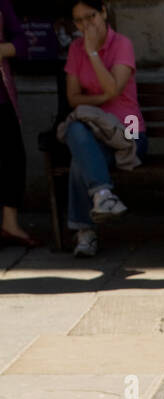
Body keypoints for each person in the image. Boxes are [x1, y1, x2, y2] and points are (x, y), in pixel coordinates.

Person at [62, 1, 146, 258]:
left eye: (91, 17)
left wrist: (93, 53)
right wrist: (100, 108)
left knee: (81, 158)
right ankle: (103, 194)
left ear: (104, 13)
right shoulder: (75, 50)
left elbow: (114, 89)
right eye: (79, 21)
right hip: (97, 131)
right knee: (75, 129)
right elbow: (72, 98)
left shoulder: (122, 44)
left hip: (131, 128)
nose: (86, 25)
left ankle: (84, 232)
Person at [0, 0, 40, 247]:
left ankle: (9, 223)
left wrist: (3, 50)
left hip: (1, 96)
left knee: (12, 157)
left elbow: (22, 43)